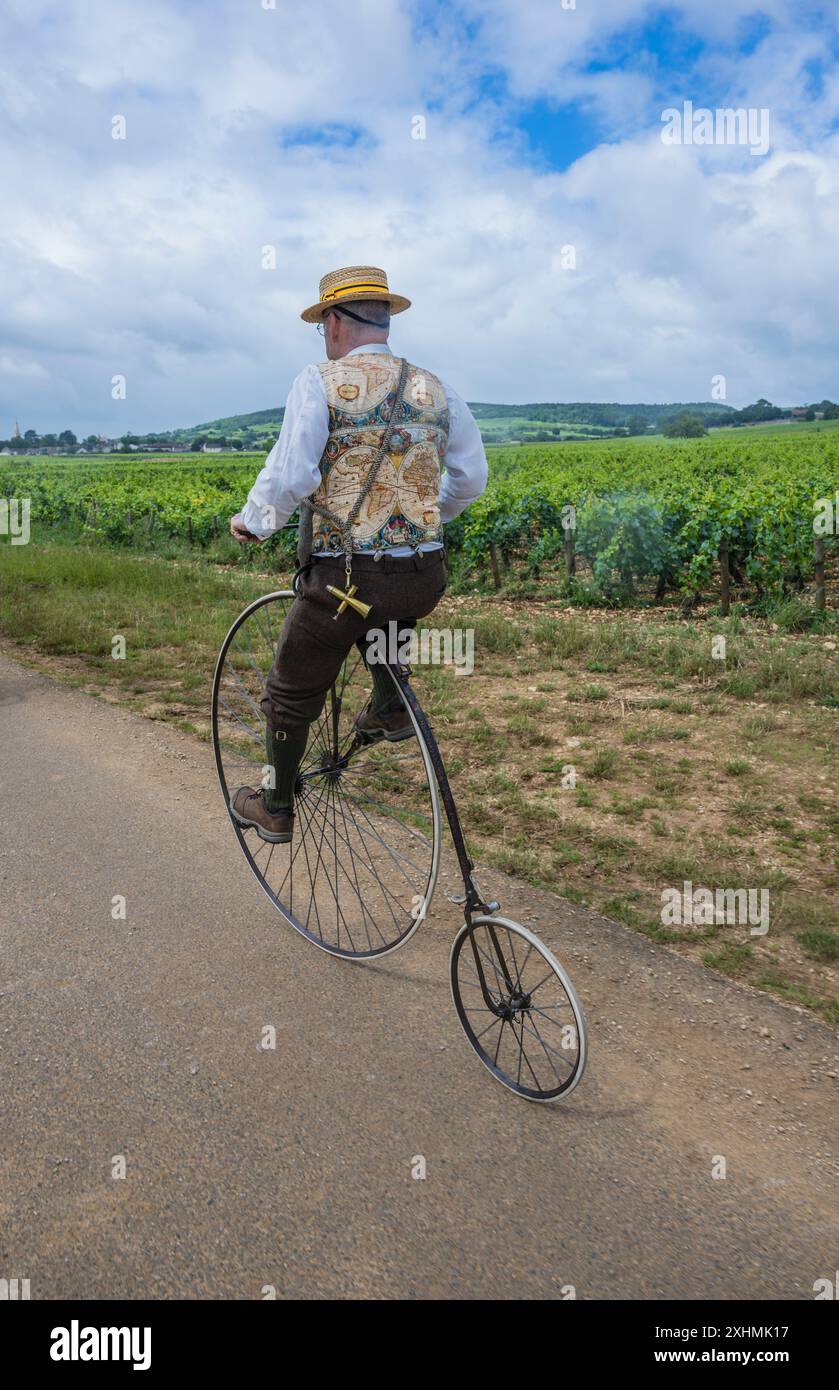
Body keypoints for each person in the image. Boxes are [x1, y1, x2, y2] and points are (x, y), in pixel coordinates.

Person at [228, 265, 487, 842]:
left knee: (290, 690)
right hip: (424, 574)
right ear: (385, 320)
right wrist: (423, 516)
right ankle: (391, 703)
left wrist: (255, 522)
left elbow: (291, 472)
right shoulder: (437, 388)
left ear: (336, 322)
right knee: (388, 618)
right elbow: (470, 478)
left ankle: (273, 803)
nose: (324, 334)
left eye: (323, 323)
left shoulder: (318, 381)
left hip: (345, 581)